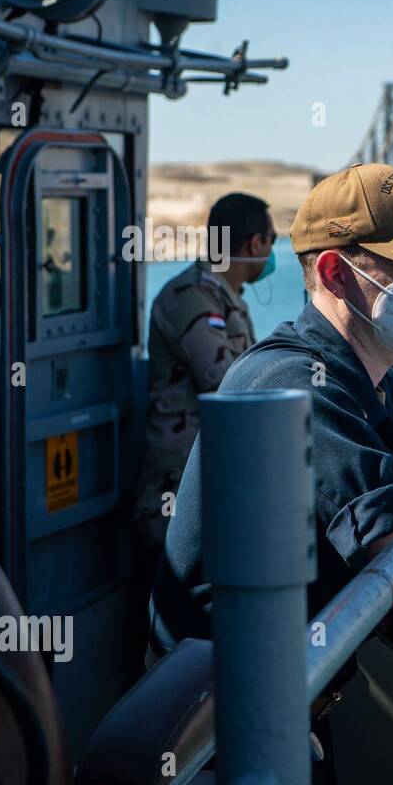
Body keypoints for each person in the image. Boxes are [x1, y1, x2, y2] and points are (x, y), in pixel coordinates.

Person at [134, 192, 276, 549]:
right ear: (255, 243)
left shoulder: (226, 296)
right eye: (272, 240)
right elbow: (225, 382)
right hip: (180, 480)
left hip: (213, 472)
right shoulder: (190, 295)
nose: (271, 250)